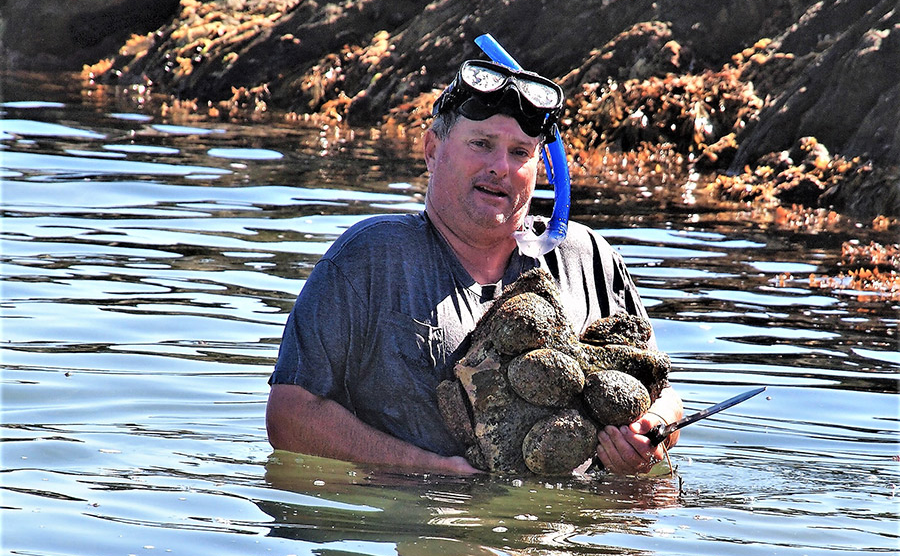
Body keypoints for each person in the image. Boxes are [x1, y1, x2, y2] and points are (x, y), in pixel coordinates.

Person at [266, 56, 683, 475]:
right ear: (432, 150)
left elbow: (664, 392)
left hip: (563, 532)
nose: (500, 167)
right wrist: (427, 468)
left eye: (519, 152)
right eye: (481, 144)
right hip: (423, 520)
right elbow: (290, 415)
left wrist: (652, 431)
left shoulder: (585, 255)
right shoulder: (371, 257)